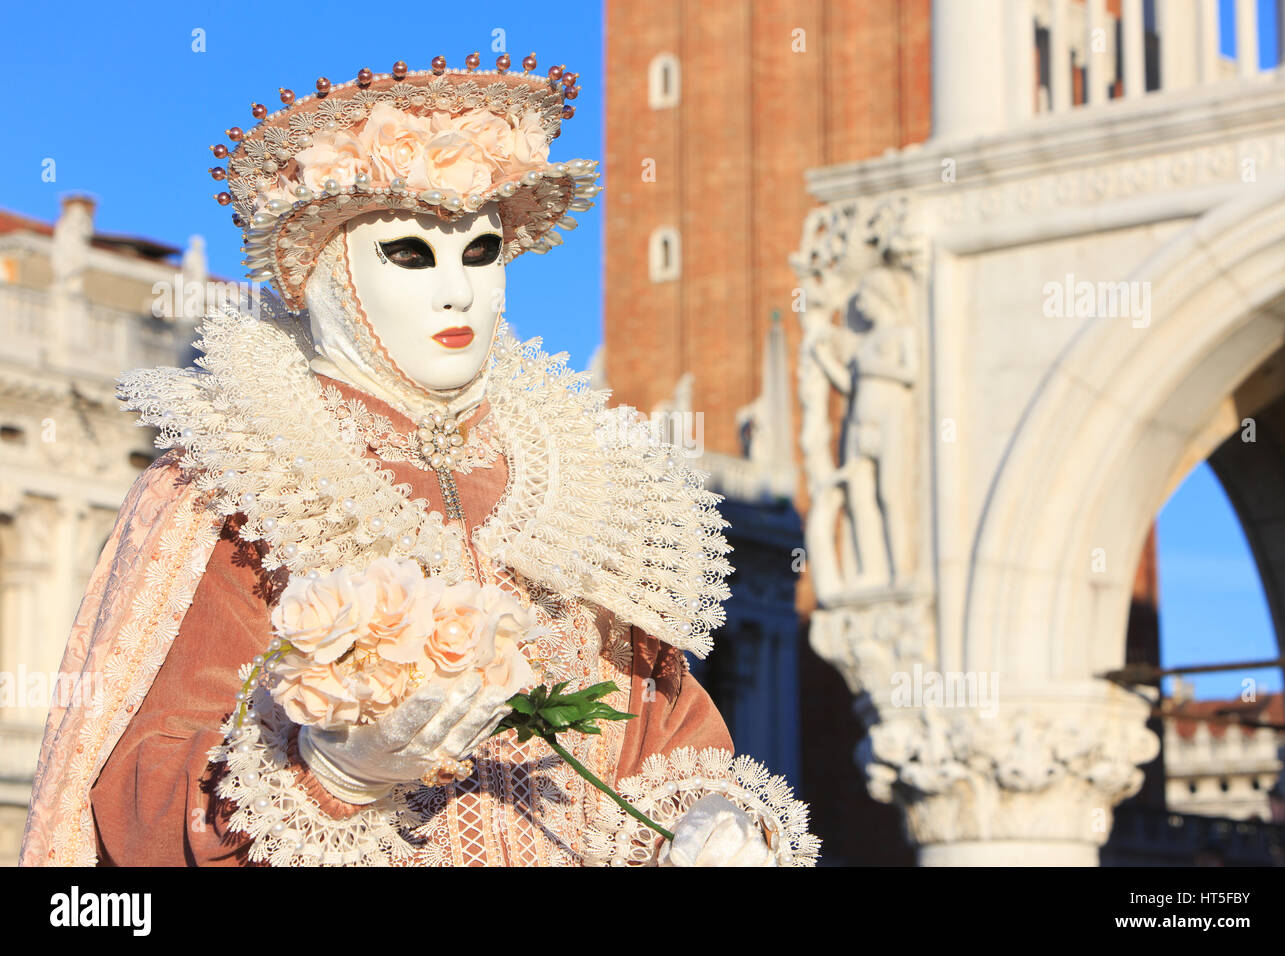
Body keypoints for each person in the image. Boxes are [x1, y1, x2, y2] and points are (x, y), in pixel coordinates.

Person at [20, 52, 819, 868]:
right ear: (327, 274)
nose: (458, 291)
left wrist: (708, 820)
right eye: (410, 252)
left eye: (481, 254)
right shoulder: (236, 478)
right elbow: (133, 799)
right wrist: (321, 772)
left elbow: (667, 743)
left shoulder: (595, 494)